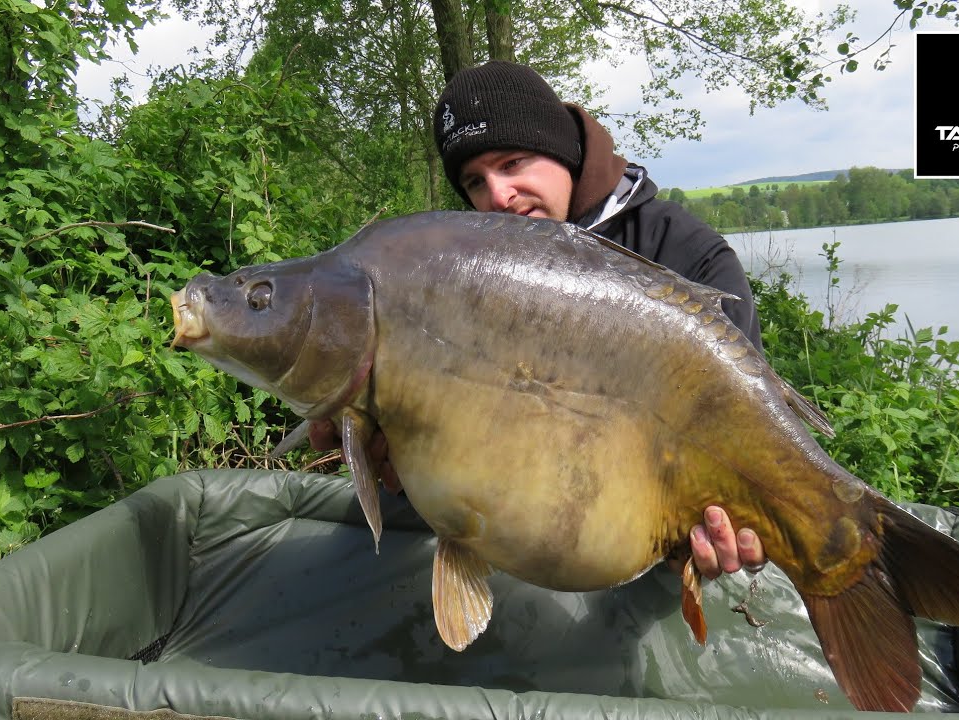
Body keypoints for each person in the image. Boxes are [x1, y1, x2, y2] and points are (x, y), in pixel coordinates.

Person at [312, 60, 768, 581]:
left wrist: (708, 538)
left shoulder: (685, 253)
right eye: (474, 182)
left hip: (643, 552)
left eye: (512, 163)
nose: (498, 197)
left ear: (564, 153)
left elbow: (748, 434)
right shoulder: (461, 275)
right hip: (516, 544)